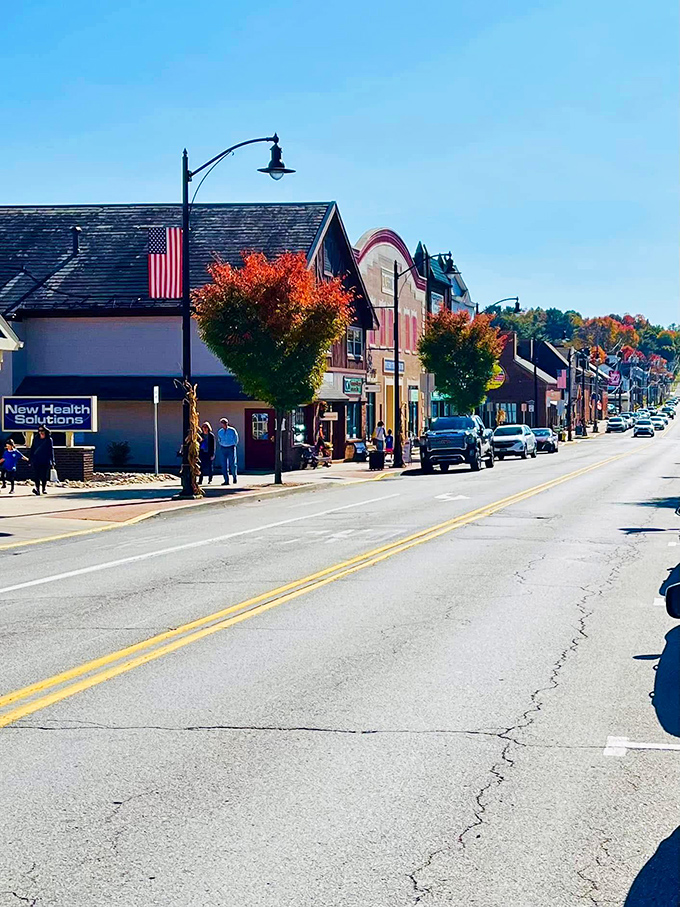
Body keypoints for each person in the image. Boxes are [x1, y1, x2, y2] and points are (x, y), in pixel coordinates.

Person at [29, 426, 54, 495]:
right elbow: (32, 449)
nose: (41, 432)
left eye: (42, 431)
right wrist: (30, 459)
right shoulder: (36, 439)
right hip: (36, 460)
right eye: (39, 431)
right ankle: (37, 489)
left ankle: (44, 488)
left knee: (44, 475)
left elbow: (51, 450)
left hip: (45, 460)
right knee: (36, 475)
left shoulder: (48, 439)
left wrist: (52, 461)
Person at [217, 417, 239, 484]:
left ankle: (234, 477)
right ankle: (226, 480)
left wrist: (234, 445)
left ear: (227, 423)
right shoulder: (220, 431)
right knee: (224, 465)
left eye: (225, 423)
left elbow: (236, 438)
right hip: (223, 448)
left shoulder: (232, 430)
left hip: (231, 447)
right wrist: (221, 443)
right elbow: (219, 439)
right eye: (222, 423)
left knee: (232, 464)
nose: (224, 424)